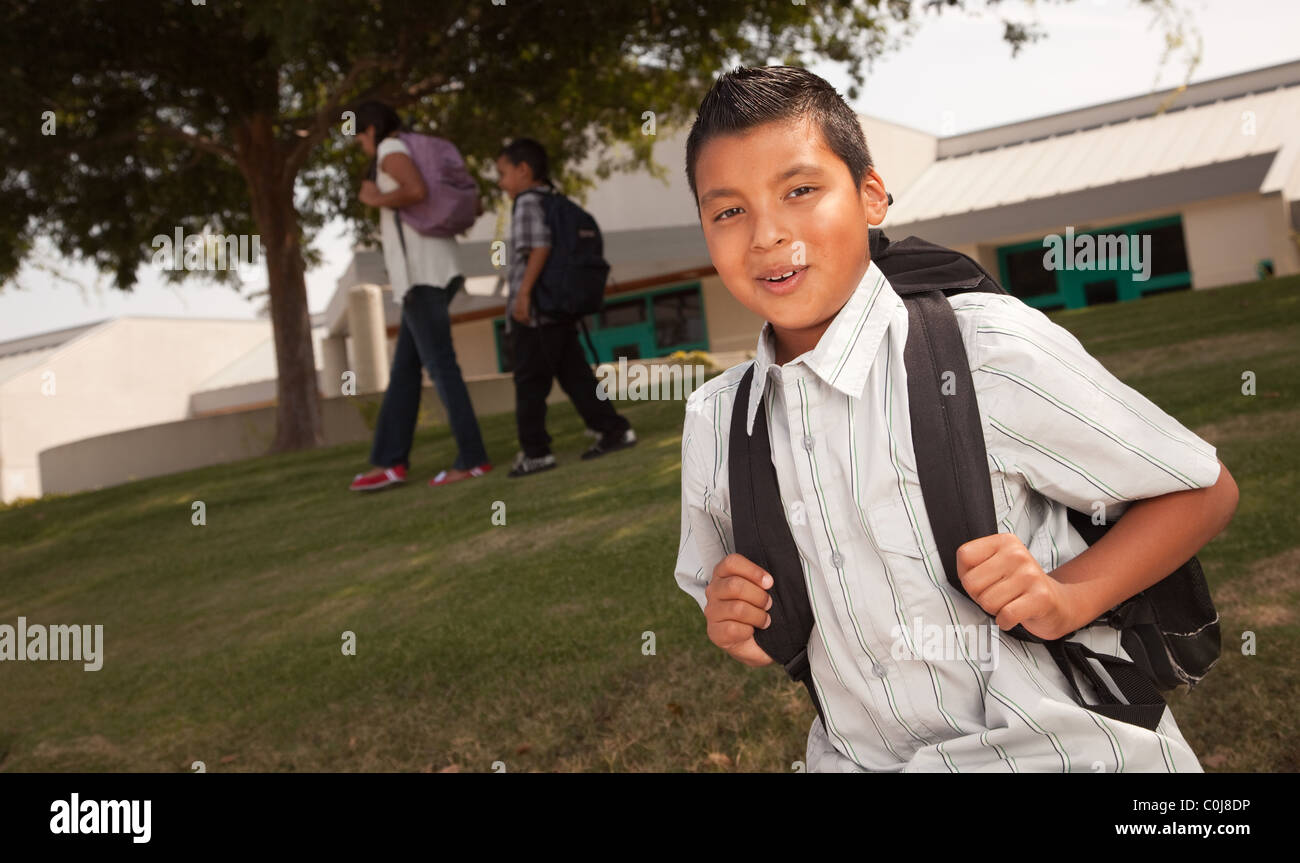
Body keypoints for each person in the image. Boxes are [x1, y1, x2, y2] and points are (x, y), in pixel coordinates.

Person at [672, 66, 1240, 772]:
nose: (767, 233)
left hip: (1060, 750)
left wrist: (1067, 596)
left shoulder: (984, 349)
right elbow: (764, 622)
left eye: (800, 190)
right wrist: (736, 620)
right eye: (728, 210)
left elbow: (1203, 488)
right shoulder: (719, 420)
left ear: (871, 194)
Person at [347, 101, 492, 491]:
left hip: (422, 277)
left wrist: (374, 198)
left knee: (442, 367)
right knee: (405, 371)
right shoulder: (406, 146)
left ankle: (473, 459)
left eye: (360, 133)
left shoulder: (391, 151)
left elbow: (416, 190)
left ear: (373, 129)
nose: (360, 142)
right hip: (435, 270)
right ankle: (391, 462)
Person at [494, 138, 636, 478]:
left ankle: (536, 452)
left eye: (503, 173)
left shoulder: (527, 202)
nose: (500, 182)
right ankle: (614, 430)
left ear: (523, 170)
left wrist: (523, 296)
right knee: (575, 376)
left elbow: (538, 248)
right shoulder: (554, 202)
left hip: (538, 312)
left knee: (530, 383)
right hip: (558, 309)